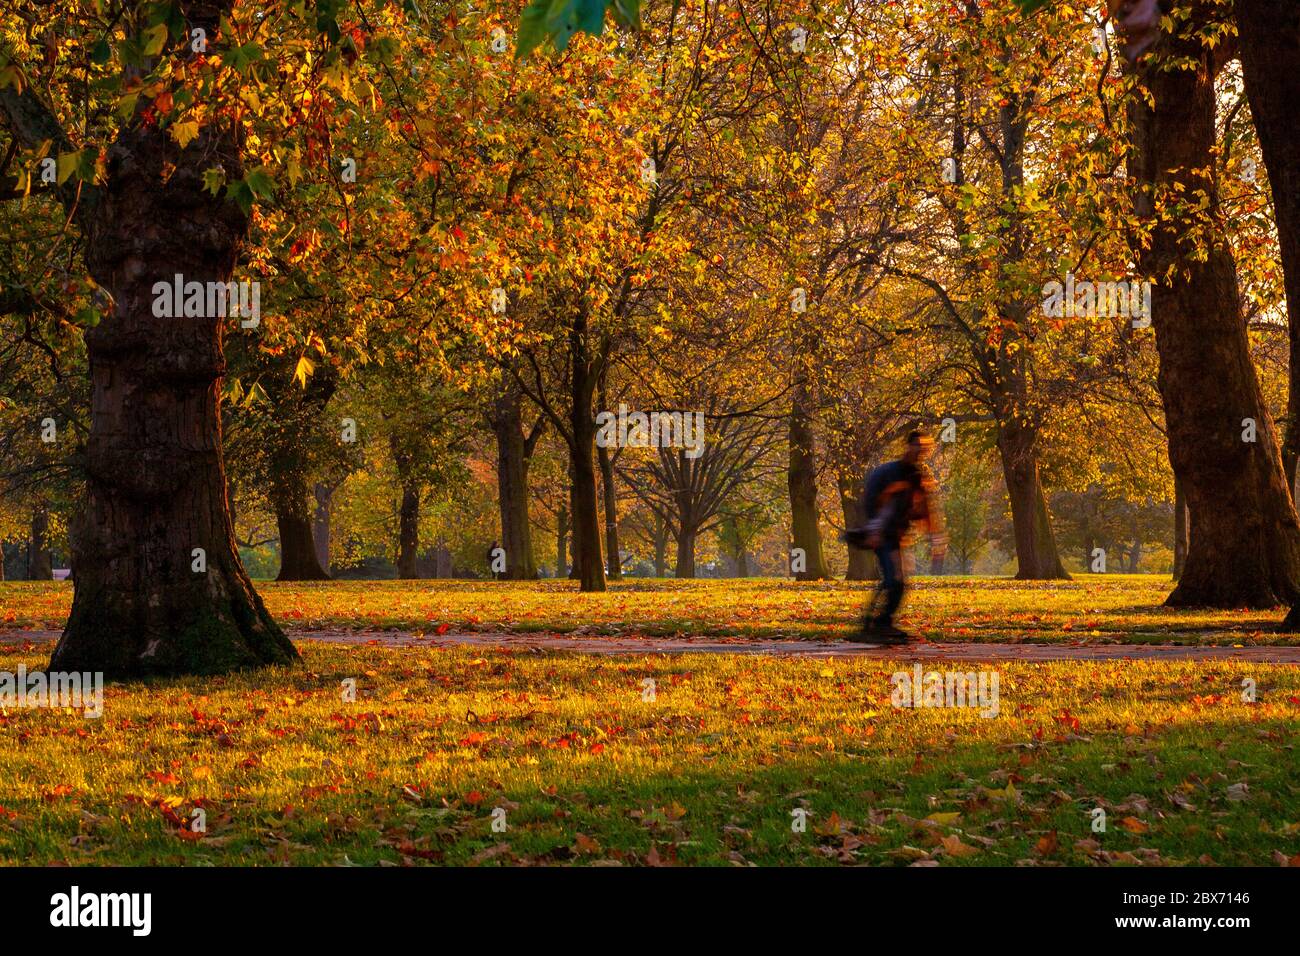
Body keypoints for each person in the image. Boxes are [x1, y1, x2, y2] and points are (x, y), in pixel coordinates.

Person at [845, 430, 946, 644]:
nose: (921, 450)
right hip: (882, 535)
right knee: (893, 580)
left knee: (896, 582)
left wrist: (936, 539)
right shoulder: (889, 473)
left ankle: (881, 623)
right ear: (908, 446)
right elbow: (876, 504)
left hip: (895, 536)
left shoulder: (916, 476)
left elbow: (925, 509)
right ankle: (873, 625)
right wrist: (874, 532)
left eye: (925, 447)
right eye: (918, 445)